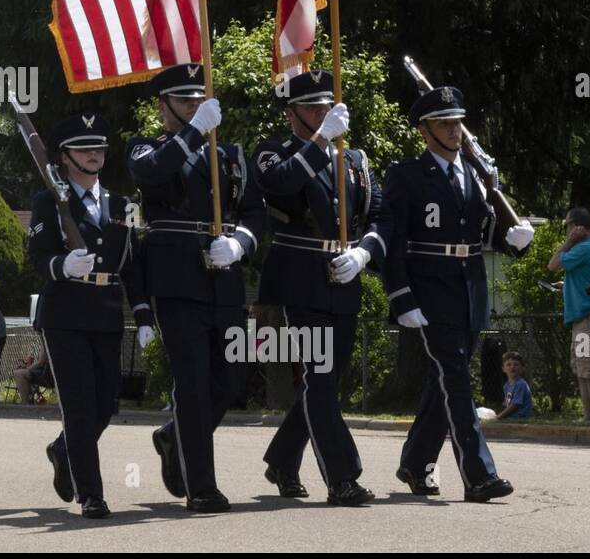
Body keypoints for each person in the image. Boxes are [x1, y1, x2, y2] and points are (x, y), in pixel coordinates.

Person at [382, 85, 535, 502]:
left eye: (458, 121)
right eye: (444, 122)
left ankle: (415, 462)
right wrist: (401, 296)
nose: (455, 129)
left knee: (444, 381)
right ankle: (479, 475)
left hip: (470, 289)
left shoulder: (476, 175)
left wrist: (513, 239)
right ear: (424, 129)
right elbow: (393, 242)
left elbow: (483, 232)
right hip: (429, 289)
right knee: (457, 380)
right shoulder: (407, 174)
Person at [126, 63, 265, 513]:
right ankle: (200, 485)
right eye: (185, 100)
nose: (194, 106)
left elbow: (255, 213)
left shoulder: (231, 155)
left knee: (230, 381)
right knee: (192, 383)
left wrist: (240, 243)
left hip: (223, 279)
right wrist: (193, 133)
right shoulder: (146, 147)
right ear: (163, 106)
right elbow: (152, 173)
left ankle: (173, 437)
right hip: (176, 280)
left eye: (198, 99)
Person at [255, 71, 387, 505]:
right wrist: (318, 143)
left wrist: (365, 252)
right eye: (312, 106)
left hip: (344, 277)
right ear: (290, 112)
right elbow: (281, 186)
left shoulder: (354, 160)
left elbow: (377, 217)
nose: (322, 112)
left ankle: (281, 459)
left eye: (327, 105)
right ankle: (342, 477)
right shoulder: (274, 152)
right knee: (319, 377)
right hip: (300, 280)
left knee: (324, 384)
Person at [28, 112, 152, 518]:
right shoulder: (49, 201)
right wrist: (63, 266)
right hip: (64, 313)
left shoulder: (124, 205)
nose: (95, 154)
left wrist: (144, 313)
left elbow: (133, 264)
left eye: (98, 146)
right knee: (80, 406)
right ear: (65, 157)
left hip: (106, 312)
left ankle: (63, 449)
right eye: (85, 147)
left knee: (105, 406)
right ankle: (91, 494)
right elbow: (38, 256)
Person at [548, 207, 590, 424]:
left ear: (578, 227)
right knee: (582, 369)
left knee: (589, 371)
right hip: (583, 317)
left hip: (588, 318)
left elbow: (553, 264)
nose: (567, 231)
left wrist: (568, 243)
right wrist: (566, 286)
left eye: (568, 226)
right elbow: (585, 279)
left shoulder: (584, 248)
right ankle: (588, 417)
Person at [14, 339, 54, 404]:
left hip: (49, 376)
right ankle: (31, 399)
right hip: (51, 373)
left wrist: (26, 368)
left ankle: (26, 403)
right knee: (27, 372)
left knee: (19, 373)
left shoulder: (47, 339)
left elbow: (41, 362)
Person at [495, 352, 533, 420]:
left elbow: (514, 406)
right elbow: (507, 404)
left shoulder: (521, 384)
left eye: (516, 364)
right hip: (511, 418)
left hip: (520, 418)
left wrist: (499, 417)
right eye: (509, 365)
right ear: (503, 369)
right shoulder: (506, 386)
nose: (512, 367)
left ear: (522, 368)